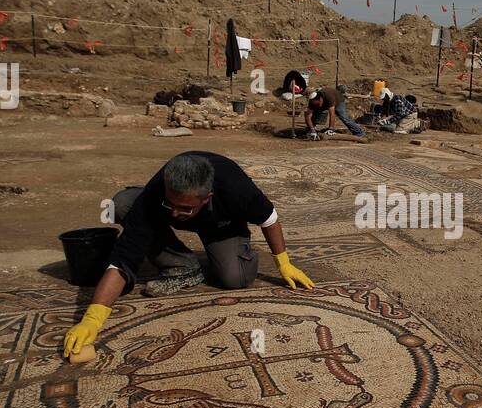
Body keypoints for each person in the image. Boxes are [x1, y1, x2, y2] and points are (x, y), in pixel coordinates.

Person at [62, 151, 313, 358]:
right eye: (169, 204)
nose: (173, 213)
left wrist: (284, 263)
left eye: (184, 208)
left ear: (207, 198)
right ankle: (181, 263)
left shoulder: (236, 188)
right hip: (168, 205)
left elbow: (270, 219)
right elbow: (122, 260)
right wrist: (92, 319)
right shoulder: (157, 192)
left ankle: (235, 247)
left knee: (235, 278)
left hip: (223, 225)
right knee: (124, 202)